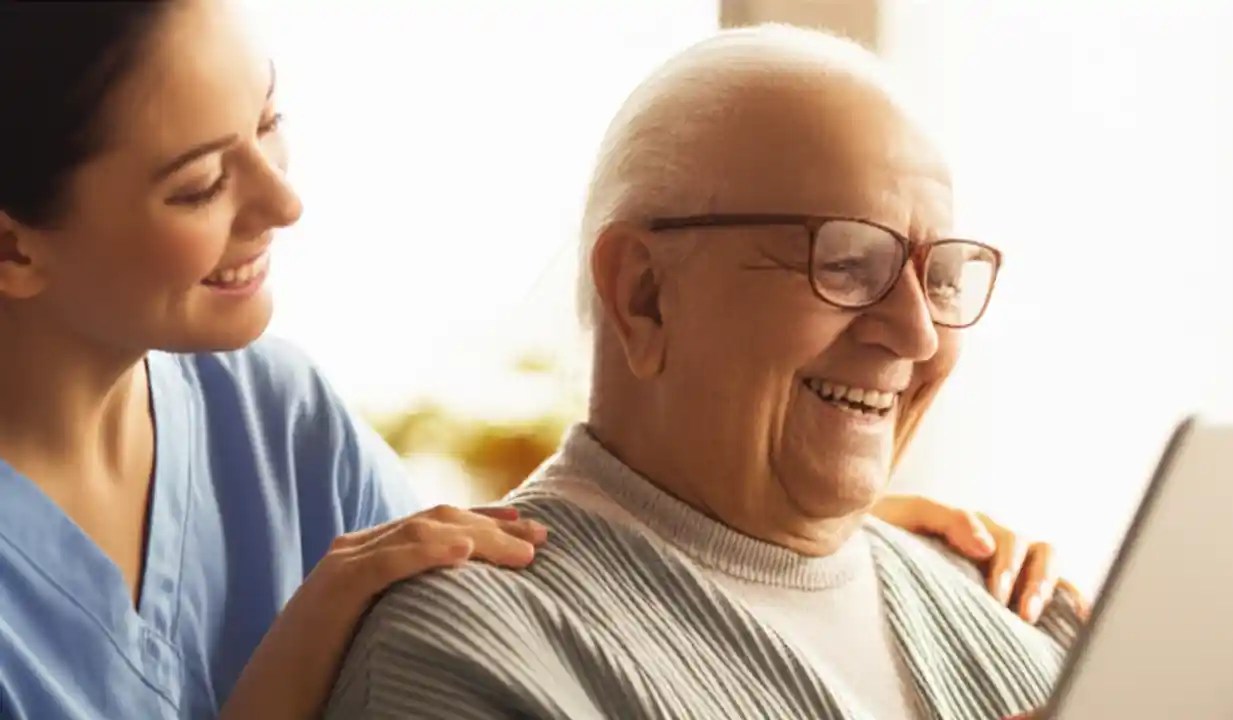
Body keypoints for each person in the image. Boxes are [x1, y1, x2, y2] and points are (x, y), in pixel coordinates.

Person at [0, 2, 1076, 719]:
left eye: (269, 120)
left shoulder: (274, 416)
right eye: (196, 183)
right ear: (13, 243)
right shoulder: (451, 660)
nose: (286, 201)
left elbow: (540, 547)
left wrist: (804, 533)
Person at [324, 23, 1090, 720]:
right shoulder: (465, 649)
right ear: (645, 296)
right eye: (848, 263)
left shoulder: (1012, 602)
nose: (918, 333)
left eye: (944, 278)